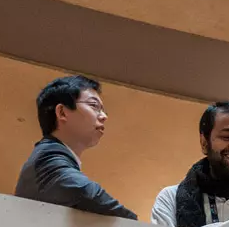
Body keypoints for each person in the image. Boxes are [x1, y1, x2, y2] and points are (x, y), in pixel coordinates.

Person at [15, 74, 137, 219]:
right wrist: (133, 224)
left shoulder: (51, 154)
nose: (104, 116)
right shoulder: (47, 155)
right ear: (62, 112)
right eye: (94, 106)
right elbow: (86, 192)